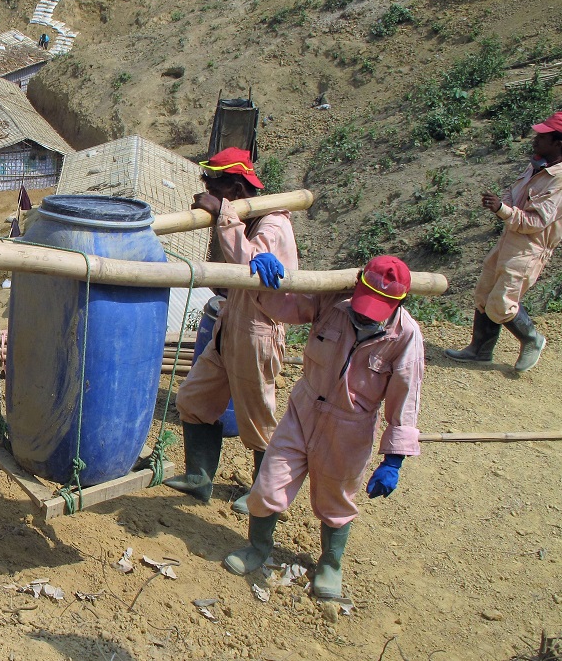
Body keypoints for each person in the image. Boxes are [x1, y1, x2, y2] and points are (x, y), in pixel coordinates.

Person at [223, 255, 423, 601]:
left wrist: (394, 460)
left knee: (336, 500)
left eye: (376, 309)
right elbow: (284, 306)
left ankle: (331, 563)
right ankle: (257, 547)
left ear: (397, 304)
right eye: (363, 304)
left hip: (350, 428)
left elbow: (406, 397)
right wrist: (264, 277)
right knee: (269, 483)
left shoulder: (405, 337)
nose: (364, 314)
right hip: (303, 411)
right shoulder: (334, 303)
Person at [164, 147, 298, 514]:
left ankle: (265, 494)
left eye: (215, 185)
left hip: (258, 328)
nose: (208, 189)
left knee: (257, 417)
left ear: (236, 189)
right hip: (230, 321)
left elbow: (247, 265)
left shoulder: (272, 224)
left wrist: (222, 216)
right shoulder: (245, 216)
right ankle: (200, 478)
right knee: (194, 399)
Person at [445, 111, 562, 373]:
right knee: (484, 292)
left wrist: (502, 210)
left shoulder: (558, 180)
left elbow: (534, 223)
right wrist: (502, 204)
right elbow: (513, 191)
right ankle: (480, 351)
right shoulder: (537, 166)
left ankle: (532, 338)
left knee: (502, 302)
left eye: (542, 137)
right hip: (511, 237)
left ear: (558, 143)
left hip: (530, 248)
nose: (535, 140)